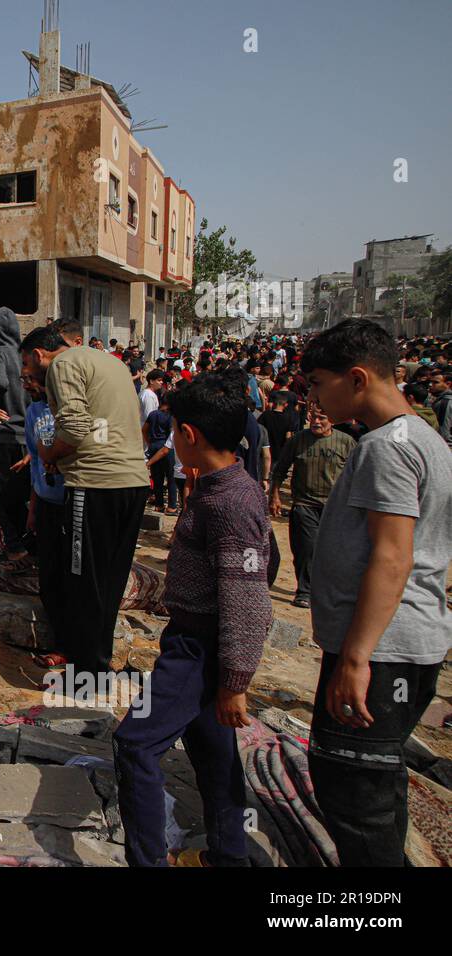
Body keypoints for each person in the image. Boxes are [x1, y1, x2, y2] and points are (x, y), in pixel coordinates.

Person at [299, 320, 452, 866]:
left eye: (319, 382)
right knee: (374, 789)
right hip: (394, 645)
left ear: (357, 378)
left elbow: (393, 556)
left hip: (383, 651)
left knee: (353, 794)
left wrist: (358, 657)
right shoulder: (420, 440)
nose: (313, 397)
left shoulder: (388, 449)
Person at [114, 371, 274, 867]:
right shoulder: (220, 487)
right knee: (214, 753)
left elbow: (248, 598)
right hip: (199, 643)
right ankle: (229, 853)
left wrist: (233, 682)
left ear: (188, 435)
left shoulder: (231, 502)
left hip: (200, 649)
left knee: (135, 745)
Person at [20, 325, 150, 675]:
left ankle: (85, 672)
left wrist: (48, 452)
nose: (29, 377)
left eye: (26, 368)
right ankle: (98, 666)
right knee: (109, 581)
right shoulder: (111, 363)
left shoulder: (63, 366)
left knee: (82, 578)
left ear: (37, 355)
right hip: (133, 482)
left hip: (94, 484)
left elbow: (75, 429)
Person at [269, 405, 355, 608]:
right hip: (304, 504)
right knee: (306, 549)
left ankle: (327, 589)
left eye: (322, 418)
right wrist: (274, 496)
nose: (317, 422)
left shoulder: (346, 443)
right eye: (314, 418)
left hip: (335, 507)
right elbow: (280, 469)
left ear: (332, 420)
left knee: (332, 551)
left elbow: (358, 473)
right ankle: (305, 591)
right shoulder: (298, 440)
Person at [0, 308, 31, 561]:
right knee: (19, 495)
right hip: (25, 439)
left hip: (0, 435)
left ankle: (13, 548)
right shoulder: (25, 356)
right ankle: (23, 544)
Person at [23, 369, 67, 659]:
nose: (27, 385)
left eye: (30, 378)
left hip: (75, 501)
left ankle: (68, 646)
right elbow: (36, 463)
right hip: (47, 501)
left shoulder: (71, 411)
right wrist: (33, 508)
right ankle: (58, 640)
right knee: (50, 576)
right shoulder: (33, 412)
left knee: (71, 575)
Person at [143, 391, 176, 514]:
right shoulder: (170, 416)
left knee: (157, 477)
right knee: (170, 477)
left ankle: (159, 504)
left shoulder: (153, 414)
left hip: (154, 445)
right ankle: (172, 506)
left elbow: (144, 430)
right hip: (166, 446)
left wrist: (150, 443)